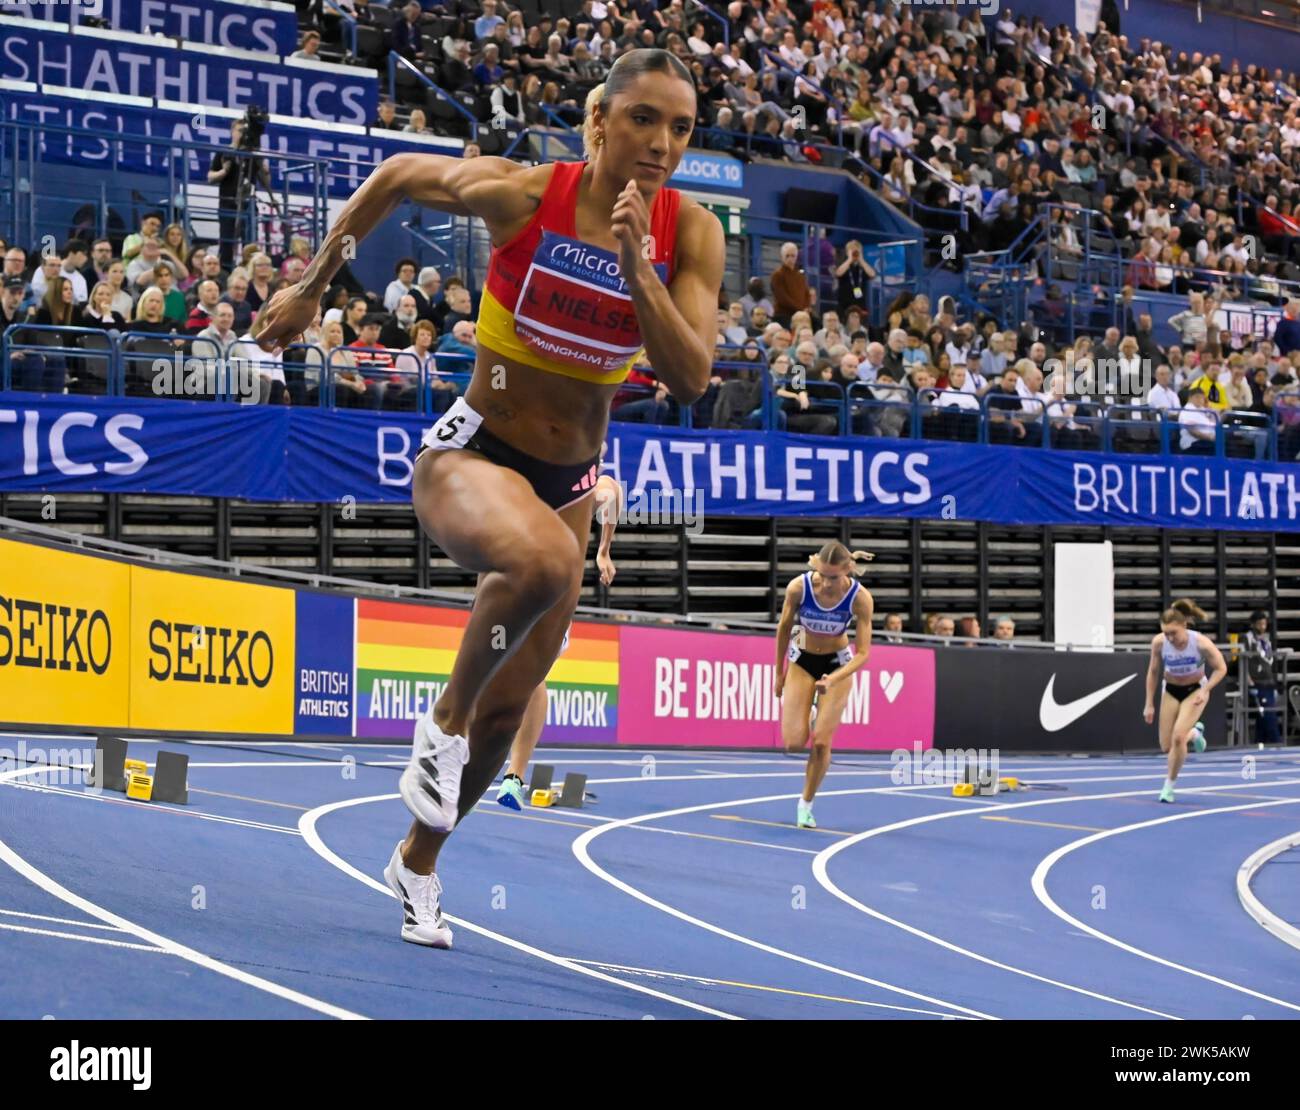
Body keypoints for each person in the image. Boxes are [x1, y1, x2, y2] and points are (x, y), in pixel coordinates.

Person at [255, 48, 723, 949]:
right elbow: (393, 176)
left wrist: (637, 267)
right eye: (643, 120)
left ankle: (417, 864)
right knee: (544, 560)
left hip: (572, 479)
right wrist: (313, 287)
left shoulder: (689, 235)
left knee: (515, 705)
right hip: (472, 453)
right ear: (599, 121)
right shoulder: (524, 195)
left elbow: (691, 376)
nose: (662, 144)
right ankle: (441, 721)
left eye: (681, 129)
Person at [496, 464, 623, 809]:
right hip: (513, 578)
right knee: (505, 671)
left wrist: (604, 549)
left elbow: (611, 494)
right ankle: (493, 763)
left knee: (532, 674)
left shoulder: (587, 484)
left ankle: (514, 776)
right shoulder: (528, 469)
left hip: (554, 590)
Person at [774, 541, 875, 828]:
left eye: (833, 577)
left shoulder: (860, 598)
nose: (827, 583)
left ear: (848, 570)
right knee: (794, 743)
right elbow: (783, 629)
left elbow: (864, 653)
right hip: (802, 660)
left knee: (820, 743)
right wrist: (778, 672)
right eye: (822, 575)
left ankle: (806, 804)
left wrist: (834, 679)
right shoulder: (799, 587)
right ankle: (811, 711)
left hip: (838, 665)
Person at [1143, 599, 1227, 803]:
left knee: (1178, 738)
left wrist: (1206, 689)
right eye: (1166, 633)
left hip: (1195, 691)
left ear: (1184, 626)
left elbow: (1221, 668)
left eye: (1174, 632)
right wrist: (1149, 703)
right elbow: (1153, 672)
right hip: (1171, 690)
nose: (1170, 637)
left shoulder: (1200, 643)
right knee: (1166, 746)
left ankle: (1168, 787)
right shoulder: (1159, 643)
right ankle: (1195, 733)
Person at [1242, 610, 1281, 746]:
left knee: (1262, 715)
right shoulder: (1248, 638)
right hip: (1257, 682)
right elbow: (1243, 661)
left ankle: (1259, 743)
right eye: (1259, 624)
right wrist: (1249, 681)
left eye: (1264, 624)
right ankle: (1277, 742)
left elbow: (1269, 661)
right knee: (1268, 714)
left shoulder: (1266, 639)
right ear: (1253, 624)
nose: (1262, 627)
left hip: (1269, 681)